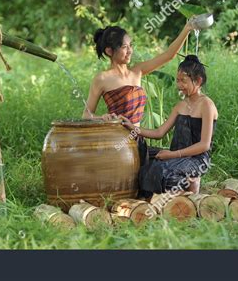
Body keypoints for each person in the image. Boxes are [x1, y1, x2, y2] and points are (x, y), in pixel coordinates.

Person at [120, 55, 218, 197]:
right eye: (178, 80)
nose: (179, 85)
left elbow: (204, 145)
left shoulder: (207, 105)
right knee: (140, 151)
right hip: (176, 156)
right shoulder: (181, 105)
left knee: (160, 168)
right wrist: (133, 128)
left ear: (198, 81)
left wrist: (171, 155)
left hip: (197, 159)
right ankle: (146, 193)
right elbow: (160, 132)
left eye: (183, 81)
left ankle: (191, 184)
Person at [82, 23, 194, 125]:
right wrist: (102, 118)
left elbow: (169, 55)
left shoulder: (137, 71)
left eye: (131, 45)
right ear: (109, 51)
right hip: (117, 139)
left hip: (138, 138)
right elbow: (86, 115)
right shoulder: (102, 78)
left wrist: (187, 28)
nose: (130, 50)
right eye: (124, 47)